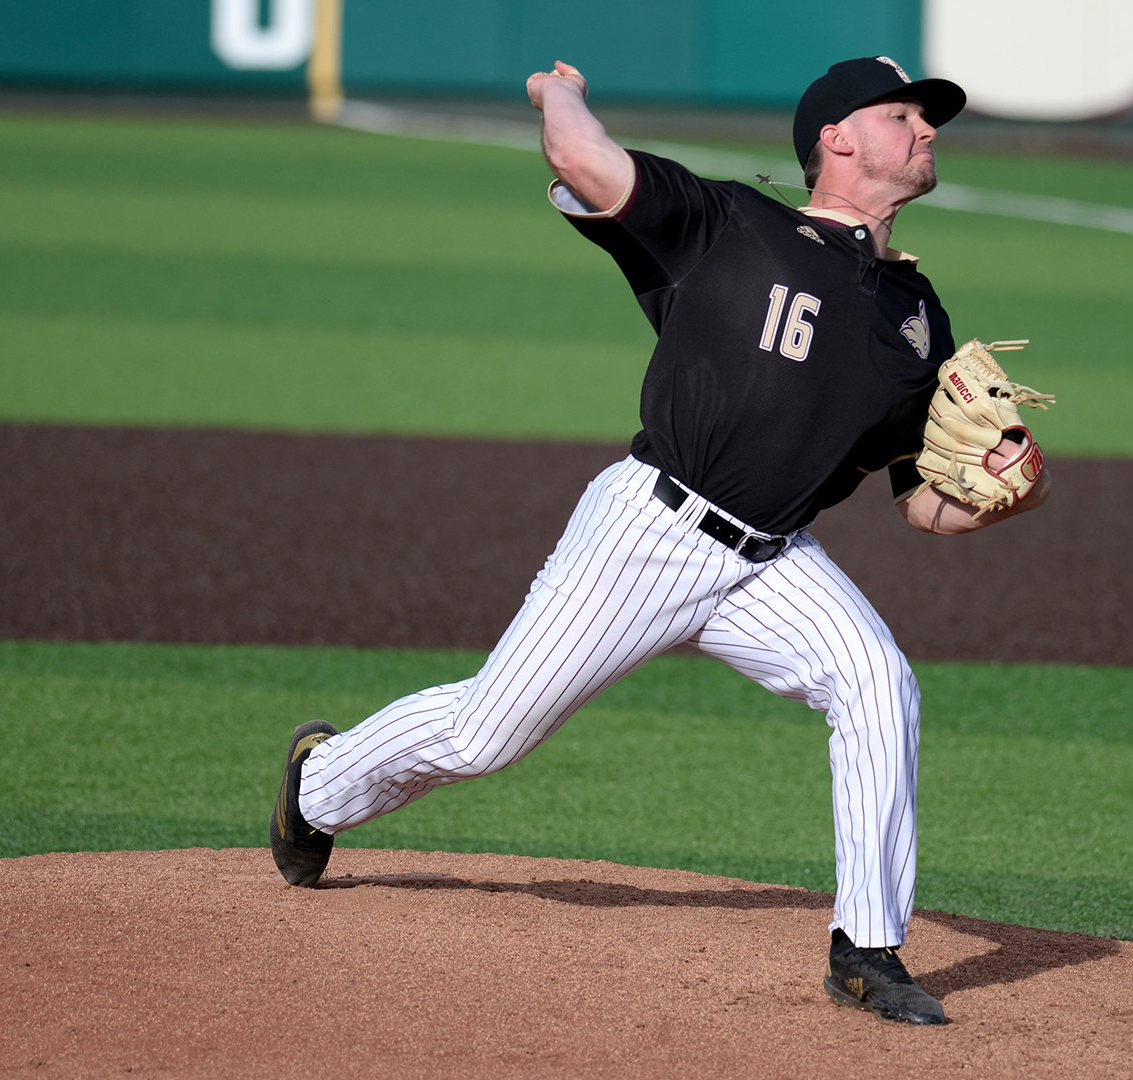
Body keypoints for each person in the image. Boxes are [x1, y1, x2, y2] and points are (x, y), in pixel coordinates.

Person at [270, 56, 1050, 1026]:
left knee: (878, 681)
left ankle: (868, 949)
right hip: (648, 531)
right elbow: (581, 159)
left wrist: (1006, 495)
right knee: (484, 735)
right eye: (903, 117)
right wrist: (557, 91)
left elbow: (922, 505)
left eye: (926, 121)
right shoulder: (728, 223)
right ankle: (321, 786)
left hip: (774, 560)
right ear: (836, 140)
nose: (926, 132)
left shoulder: (919, 319)